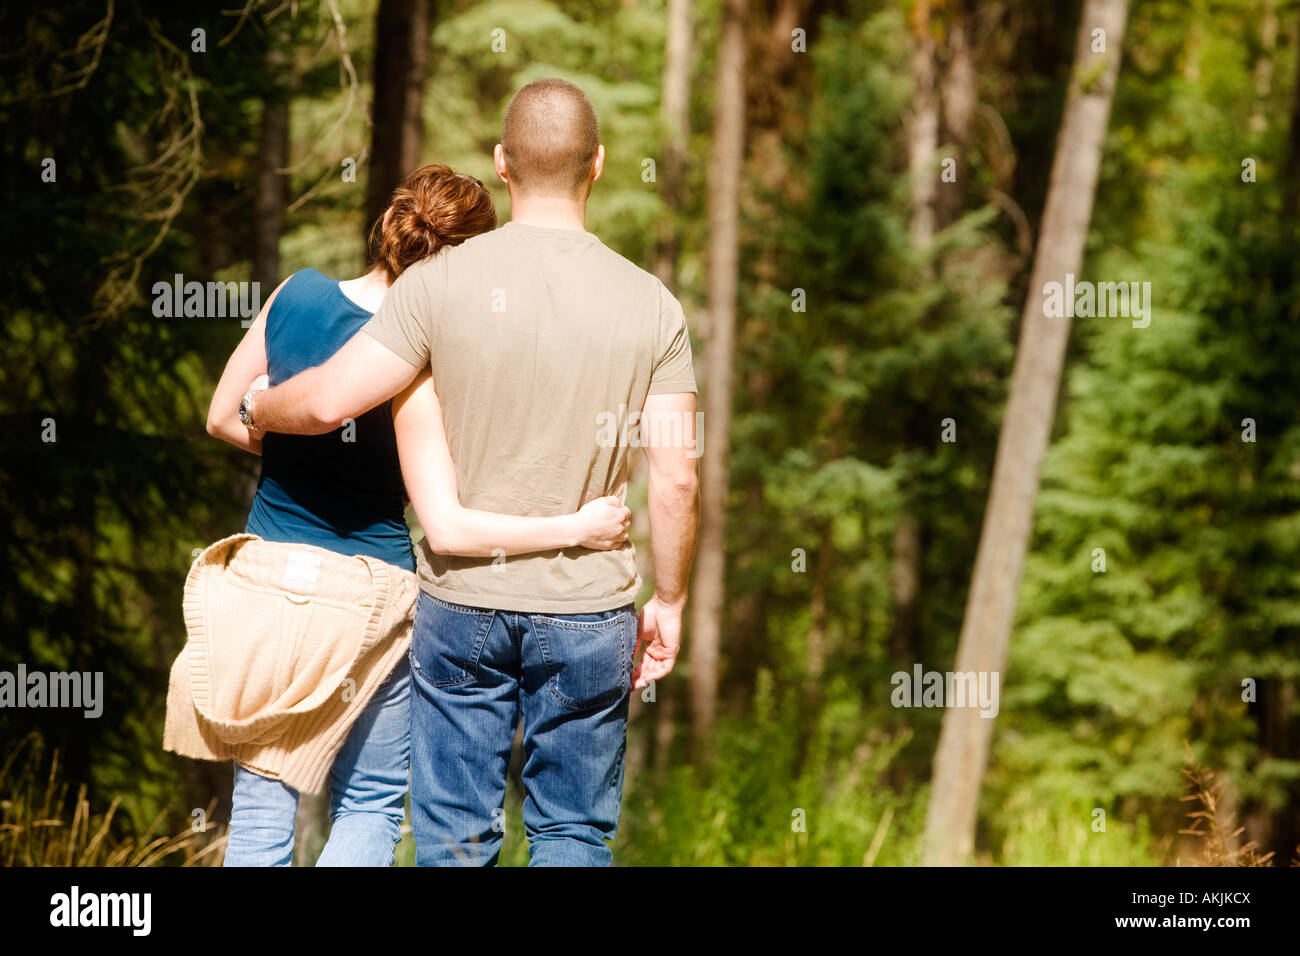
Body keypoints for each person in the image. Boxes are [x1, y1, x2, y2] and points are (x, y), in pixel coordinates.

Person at [240, 79, 700, 866]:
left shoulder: (435, 285)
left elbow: (323, 404)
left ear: (502, 163)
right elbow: (677, 479)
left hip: (461, 604)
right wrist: (671, 599)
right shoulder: (653, 305)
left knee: (454, 837)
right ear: (597, 163)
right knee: (572, 833)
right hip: (590, 606)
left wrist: (259, 407)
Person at [174, 162, 631, 867]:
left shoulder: (297, 293)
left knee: (262, 809)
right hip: (372, 592)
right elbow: (443, 507)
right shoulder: (425, 355)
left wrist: (280, 426)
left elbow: (222, 417)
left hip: (264, 576)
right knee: (370, 803)